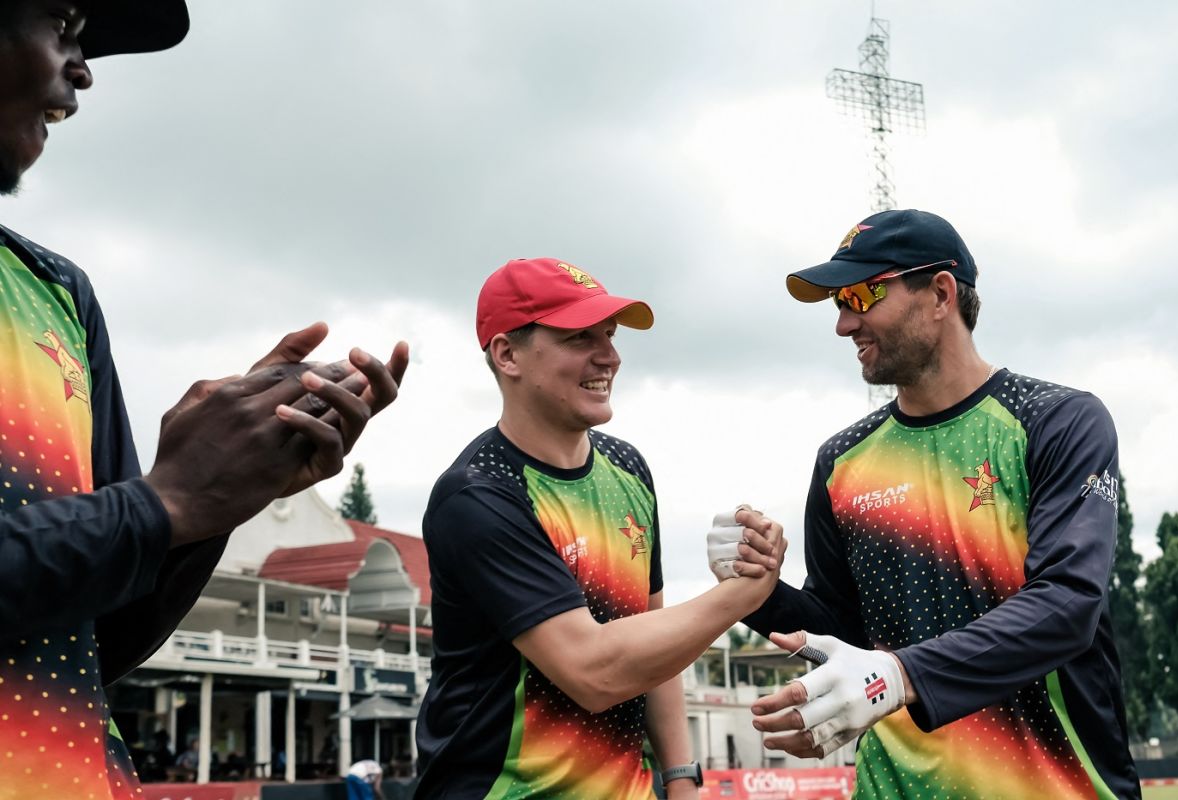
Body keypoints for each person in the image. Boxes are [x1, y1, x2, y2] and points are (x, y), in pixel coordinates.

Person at [0, 2, 407, 797]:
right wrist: (170, 499)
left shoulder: (57, 294)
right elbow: (145, 511)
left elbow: (98, 639)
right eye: (64, 25)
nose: (83, 71)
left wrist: (220, 500)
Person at [724, 210, 1140, 798]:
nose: (844, 324)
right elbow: (842, 632)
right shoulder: (840, 460)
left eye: (862, 294)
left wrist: (900, 676)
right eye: (837, 303)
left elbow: (1068, 604)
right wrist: (756, 590)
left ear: (941, 293)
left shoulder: (1057, 421)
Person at [415, 258, 784, 799]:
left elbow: (656, 641)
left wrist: (682, 781)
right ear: (507, 353)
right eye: (578, 337)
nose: (609, 356)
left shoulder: (628, 468)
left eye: (609, 335)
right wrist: (742, 594)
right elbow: (594, 673)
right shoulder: (478, 494)